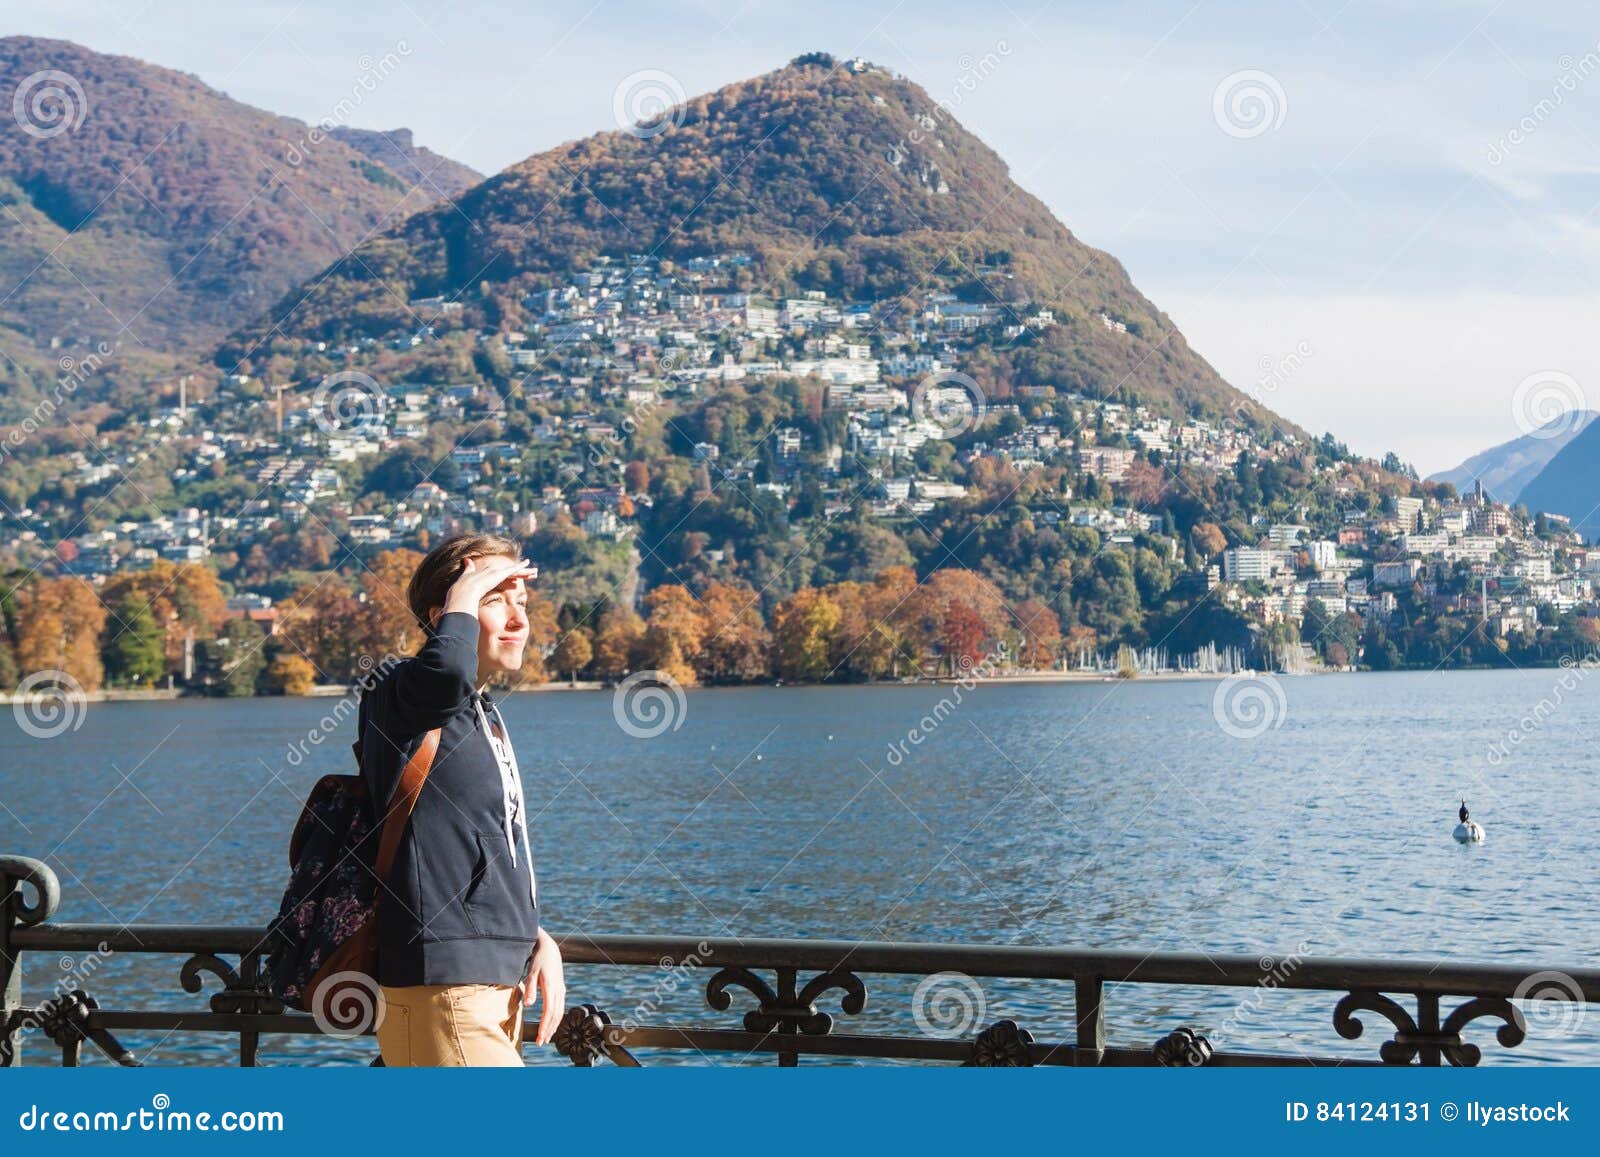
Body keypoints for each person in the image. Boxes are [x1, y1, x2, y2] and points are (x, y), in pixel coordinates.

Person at [357, 533, 565, 1065]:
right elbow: (445, 671)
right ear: (447, 613)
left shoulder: (480, 714)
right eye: (498, 600)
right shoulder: (397, 691)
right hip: (447, 990)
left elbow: (468, 849)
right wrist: (469, 589)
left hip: (488, 986)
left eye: (522, 602)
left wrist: (534, 936)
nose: (519, 619)